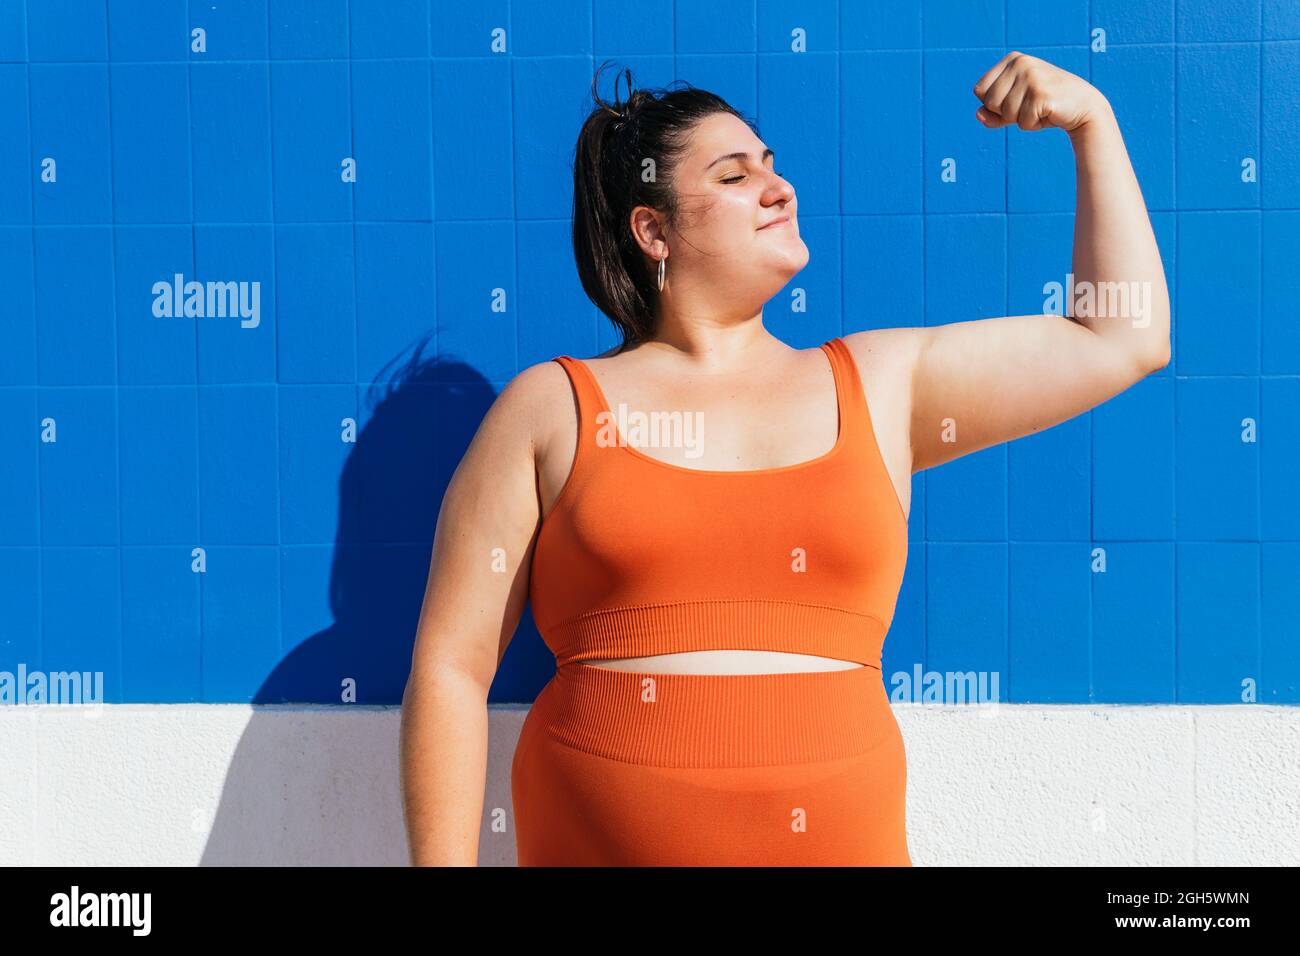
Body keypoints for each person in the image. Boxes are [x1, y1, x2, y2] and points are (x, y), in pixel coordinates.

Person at [400, 55, 1171, 866]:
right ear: (652, 230)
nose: (779, 188)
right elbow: (452, 668)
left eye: (773, 167)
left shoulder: (882, 384)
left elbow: (1123, 338)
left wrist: (1094, 123)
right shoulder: (550, 408)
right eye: (734, 176)